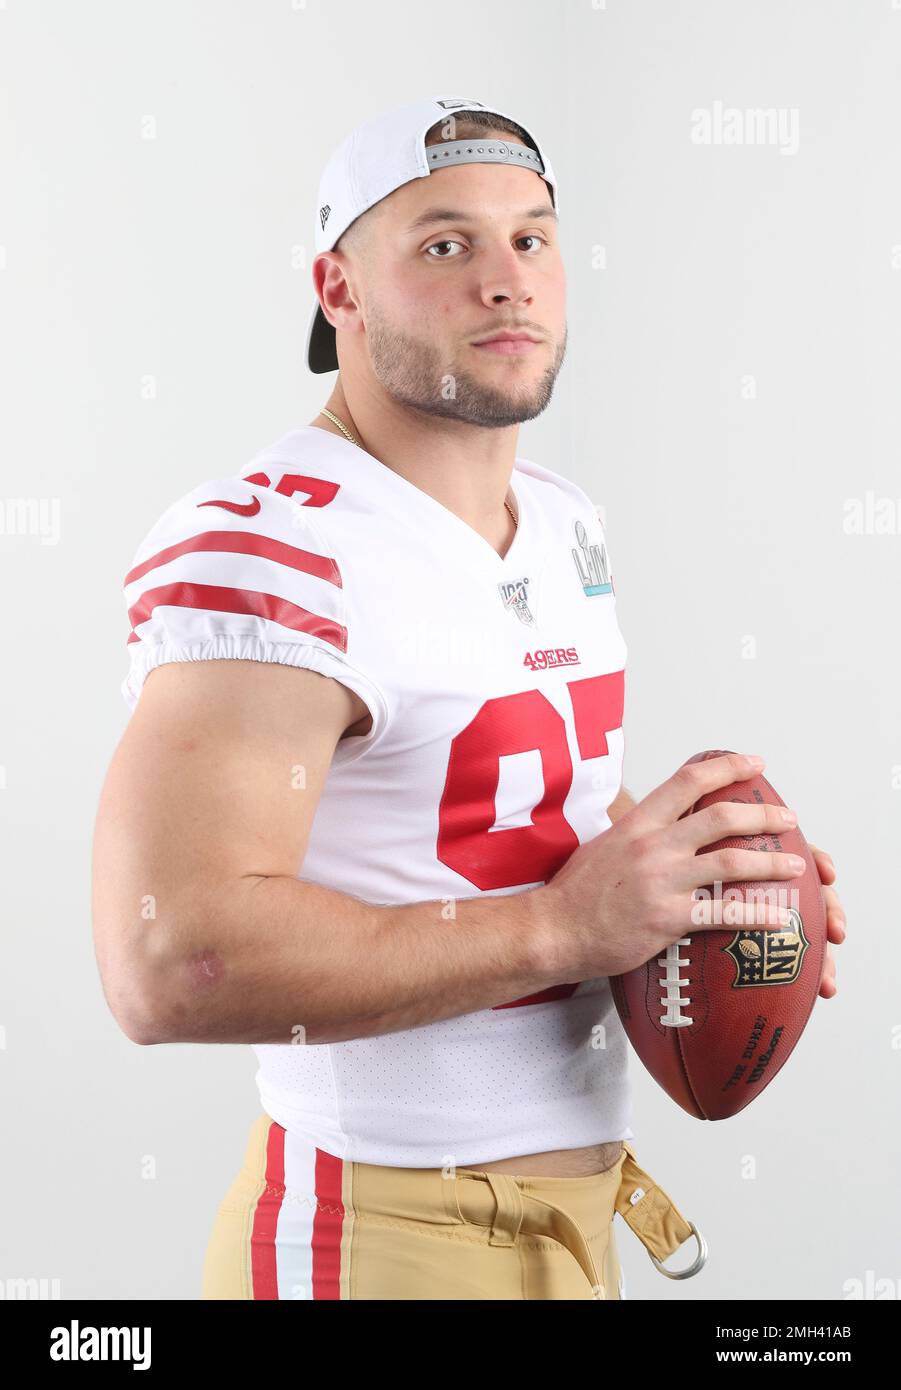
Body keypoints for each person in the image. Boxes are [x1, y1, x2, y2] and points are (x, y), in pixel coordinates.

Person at [92, 95, 845, 1300]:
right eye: (445, 243)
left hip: (576, 1223)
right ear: (337, 286)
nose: (508, 282)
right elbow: (166, 959)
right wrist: (561, 930)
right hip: (381, 1235)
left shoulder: (559, 518)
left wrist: (693, 876)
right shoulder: (269, 545)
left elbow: (500, 829)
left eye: (532, 238)